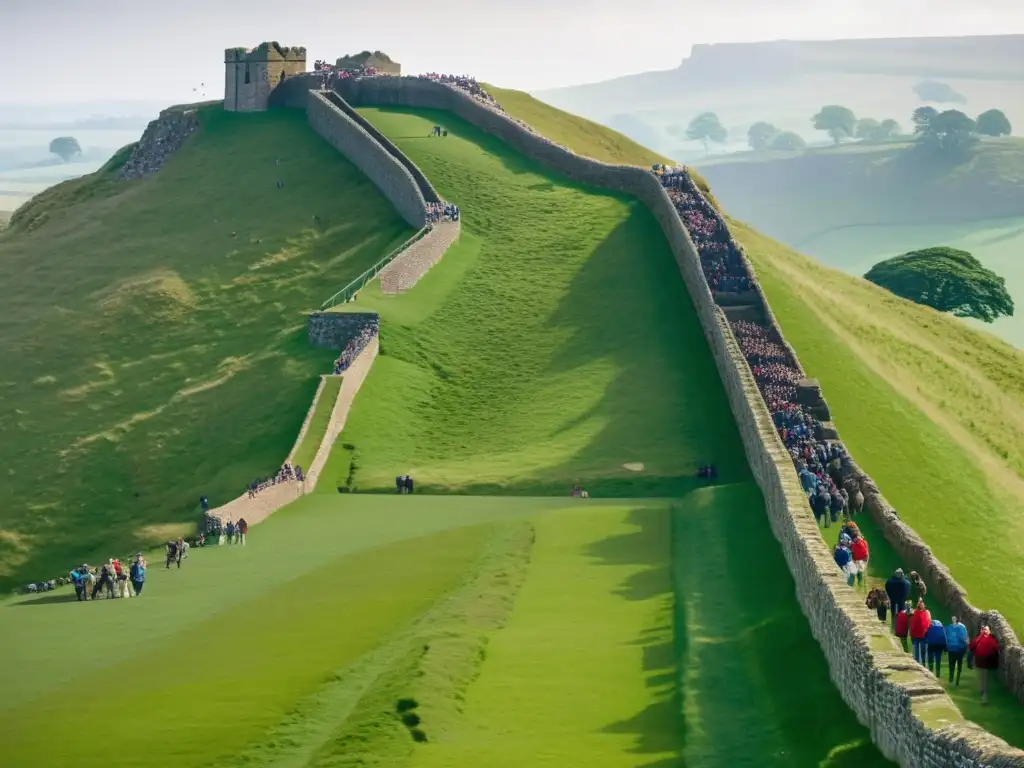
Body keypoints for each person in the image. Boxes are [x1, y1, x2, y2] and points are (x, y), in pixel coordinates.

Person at [969, 625, 1000, 704]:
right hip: (979, 663)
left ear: (989, 631)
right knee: (982, 679)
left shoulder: (992, 639)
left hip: (988, 664)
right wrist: (980, 636)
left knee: (985, 680)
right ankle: (983, 693)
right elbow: (972, 646)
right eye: (983, 629)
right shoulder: (979, 638)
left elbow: (996, 649)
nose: (984, 631)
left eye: (986, 629)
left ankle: (985, 697)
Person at [944, 615, 969, 686]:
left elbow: (946, 637)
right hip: (958, 649)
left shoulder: (949, 627)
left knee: (951, 665)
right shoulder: (962, 627)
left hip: (952, 649)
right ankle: (956, 681)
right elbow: (964, 639)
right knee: (958, 665)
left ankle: (951, 679)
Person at [910, 599, 931, 665]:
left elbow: (928, 622)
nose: (922, 606)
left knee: (922, 651)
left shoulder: (923, 612)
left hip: (922, 635)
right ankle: (918, 664)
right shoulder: (915, 612)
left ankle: (922, 664)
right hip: (917, 635)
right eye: (920, 605)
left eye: (922, 604)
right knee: (918, 652)